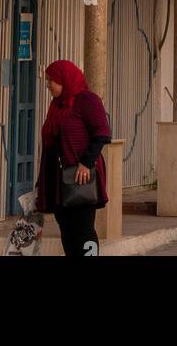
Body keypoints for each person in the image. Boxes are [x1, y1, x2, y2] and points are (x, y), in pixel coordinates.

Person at [36, 60, 111, 257]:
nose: (48, 85)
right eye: (48, 80)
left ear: (64, 79)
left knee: (84, 229)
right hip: (58, 179)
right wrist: (41, 181)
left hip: (80, 177)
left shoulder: (87, 100)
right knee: (67, 229)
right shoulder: (57, 105)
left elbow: (102, 134)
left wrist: (86, 163)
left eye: (52, 80)